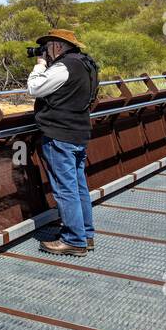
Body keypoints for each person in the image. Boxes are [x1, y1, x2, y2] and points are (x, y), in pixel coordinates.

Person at [27, 29, 100, 256]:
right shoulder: (87, 64)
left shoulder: (63, 67)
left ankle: (74, 240)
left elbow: (34, 88)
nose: (46, 51)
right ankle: (85, 235)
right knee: (78, 187)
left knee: (65, 189)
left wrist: (40, 66)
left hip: (60, 135)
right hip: (79, 132)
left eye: (48, 47)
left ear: (57, 46)